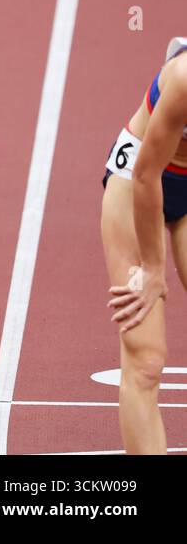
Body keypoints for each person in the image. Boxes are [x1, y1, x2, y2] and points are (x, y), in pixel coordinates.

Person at [102, 36, 187, 453]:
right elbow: (145, 177)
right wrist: (154, 271)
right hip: (138, 186)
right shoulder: (186, 78)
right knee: (146, 361)